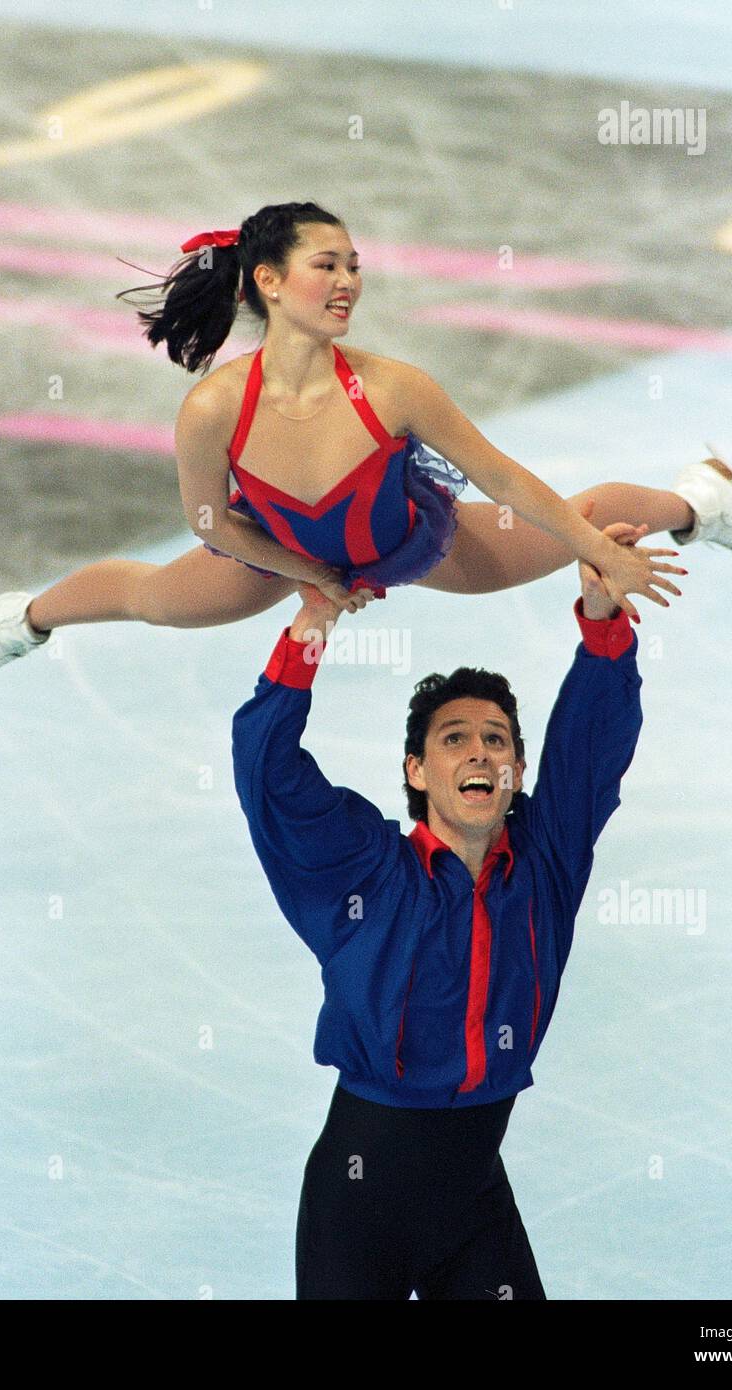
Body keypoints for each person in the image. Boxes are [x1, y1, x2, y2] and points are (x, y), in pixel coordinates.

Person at [0, 199, 732, 715]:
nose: (348, 283)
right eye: (325, 266)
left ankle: (699, 501)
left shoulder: (394, 388)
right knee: (157, 601)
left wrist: (605, 552)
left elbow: (499, 478)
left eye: (354, 265)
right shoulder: (214, 405)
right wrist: (304, 575)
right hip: (276, 547)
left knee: (585, 518)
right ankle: (16, 620)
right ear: (268, 282)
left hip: (411, 540)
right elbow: (208, 521)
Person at [231, 518, 659, 1300]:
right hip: (357, 1213)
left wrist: (600, 622)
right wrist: (310, 629)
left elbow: (589, 754)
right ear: (416, 771)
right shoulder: (365, 874)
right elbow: (269, 777)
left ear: (517, 770)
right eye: (454, 739)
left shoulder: (543, 866)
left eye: (497, 741)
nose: (479, 754)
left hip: (472, 1205)